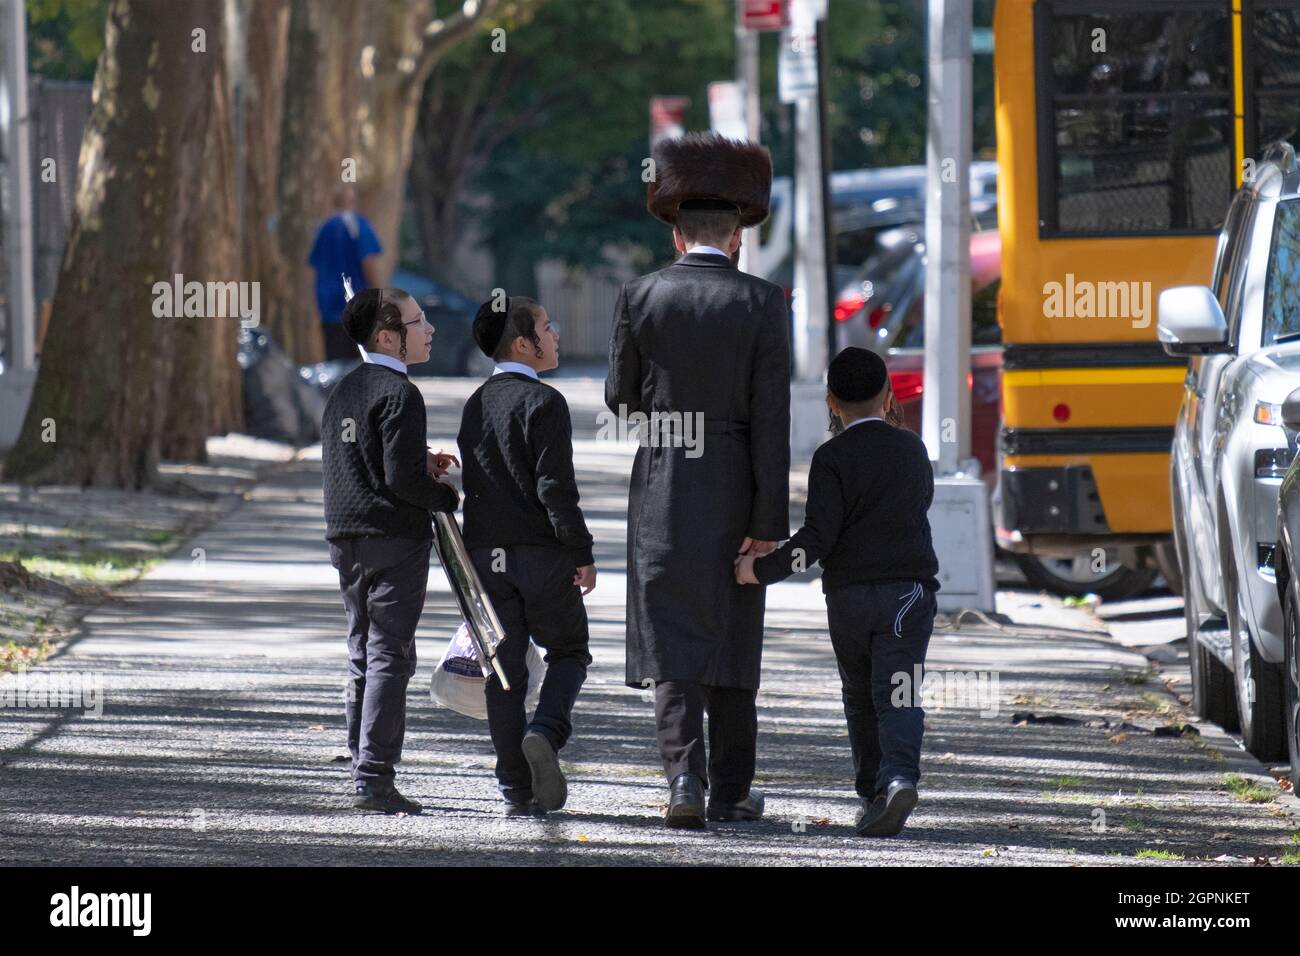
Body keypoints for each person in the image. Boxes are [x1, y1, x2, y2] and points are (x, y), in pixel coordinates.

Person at [606, 132, 791, 829]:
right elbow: (773, 421)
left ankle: (684, 783)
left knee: (670, 638)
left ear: (678, 237)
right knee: (734, 634)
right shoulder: (765, 302)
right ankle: (732, 791)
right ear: (737, 238)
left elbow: (619, 400)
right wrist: (768, 525)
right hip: (739, 482)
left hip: (662, 482)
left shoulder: (639, 296)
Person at [734, 347, 940, 837]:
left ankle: (871, 792)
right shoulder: (912, 449)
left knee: (859, 694)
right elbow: (921, 506)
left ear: (831, 403)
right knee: (899, 692)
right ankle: (898, 780)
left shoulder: (830, 458)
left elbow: (816, 541)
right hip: (906, 594)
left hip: (847, 599)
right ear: (889, 396)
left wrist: (758, 571)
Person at [321, 286, 458, 814]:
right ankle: (374, 779)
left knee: (362, 648)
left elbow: (360, 457)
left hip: (345, 535)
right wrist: (445, 494)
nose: (429, 329)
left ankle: (361, 760)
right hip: (394, 537)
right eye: (418, 321)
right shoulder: (401, 393)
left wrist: (420, 459)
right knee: (389, 654)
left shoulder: (344, 389)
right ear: (387, 336)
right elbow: (400, 481)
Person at [457, 295, 596, 816]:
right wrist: (581, 551)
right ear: (523, 343)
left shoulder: (476, 403)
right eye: (546, 327)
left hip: (485, 556)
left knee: (504, 670)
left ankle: (515, 787)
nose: (555, 335)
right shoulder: (545, 403)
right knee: (568, 652)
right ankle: (546, 731)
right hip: (541, 555)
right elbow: (555, 487)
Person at [309, 184, 385, 361]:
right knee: (360, 361)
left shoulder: (323, 229)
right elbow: (368, 262)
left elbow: (316, 266)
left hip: (329, 309)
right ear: (353, 201)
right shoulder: (359, 226)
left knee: (335, 360)